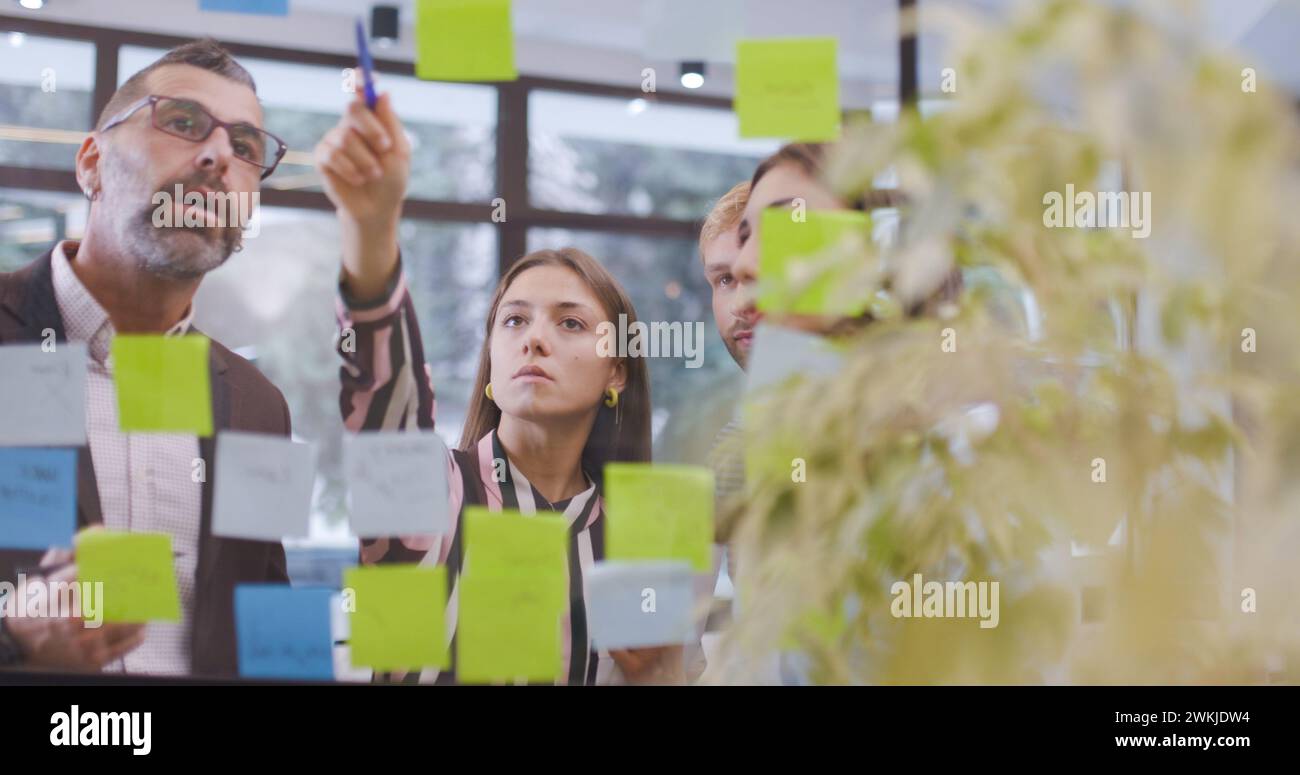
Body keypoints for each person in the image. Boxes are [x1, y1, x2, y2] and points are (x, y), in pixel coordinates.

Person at [316, 87, 682, 684]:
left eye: (569, 322)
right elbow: (385, 400)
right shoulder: (437, 492)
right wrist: (371, 226)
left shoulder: (643, 546)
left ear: (617, 370)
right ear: (490, 368)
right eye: (514, 320)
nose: (532, 340)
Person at [0, 39, 292, 676]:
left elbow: (261, 622)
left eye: (246, 148)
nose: (218, 156)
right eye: (182, 123)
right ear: (91, 164)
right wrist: (14, 642)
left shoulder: (258, 405)